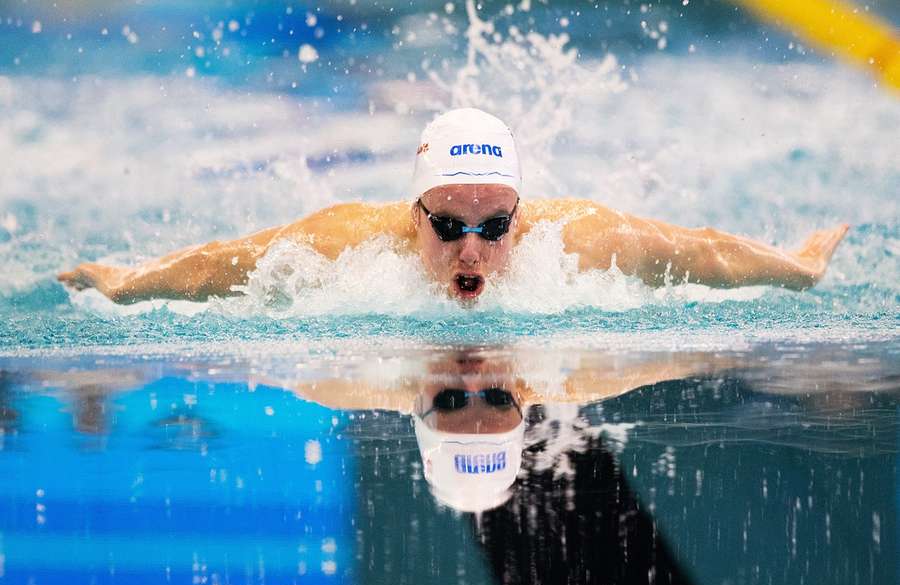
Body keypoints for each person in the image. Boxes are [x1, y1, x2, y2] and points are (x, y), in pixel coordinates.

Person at [58, 108, 848, 303]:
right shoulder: (345, 246)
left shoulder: (580, 244)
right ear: (413, 217)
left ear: (522, 217)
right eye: (447, 225)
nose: (471, 249)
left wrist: (799, 268)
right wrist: (129, 285)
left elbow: (705, 252)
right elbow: (220, 267)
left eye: (493, 226)